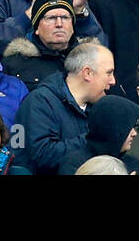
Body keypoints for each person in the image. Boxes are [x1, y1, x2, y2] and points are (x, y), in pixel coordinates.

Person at [17, 40, 115, 175]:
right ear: (87, 73)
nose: (113, 81)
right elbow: (43, 155)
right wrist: (94, 137)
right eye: (109, 73)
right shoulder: (40, 102)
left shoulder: (100, 106)